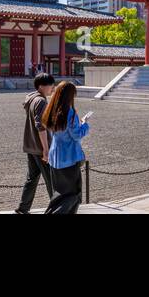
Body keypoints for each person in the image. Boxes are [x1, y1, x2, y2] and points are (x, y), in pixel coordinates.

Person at [42, 81, 90, 214]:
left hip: (55, 157)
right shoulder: (70, 112)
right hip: (69, 157)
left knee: (58, 194)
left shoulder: (51, 109)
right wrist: (85, 124)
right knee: (73, 194)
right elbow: (76, 135)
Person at [15, 73, 56, 214]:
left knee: (31, 179)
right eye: (50, 85)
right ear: (41, 86)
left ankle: (23, 208)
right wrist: (46, 149)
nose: (52, 87)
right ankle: (57, 209)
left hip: (30, 145)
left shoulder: (31, 99)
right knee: (52, 181)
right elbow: (41, 126)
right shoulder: (41, 101)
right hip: (40, 148)